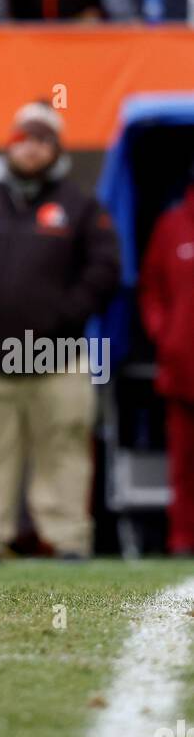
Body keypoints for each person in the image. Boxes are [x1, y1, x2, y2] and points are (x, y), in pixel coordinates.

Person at [0, 100, 120, 560]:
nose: (30, 149)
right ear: (10, 146)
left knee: (64, 449)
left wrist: (66, 314)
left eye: (41, 141)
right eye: (23, 140)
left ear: (56, 150)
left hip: (58, 358)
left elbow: (106, 270)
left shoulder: (80, 206)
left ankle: (68, 539)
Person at [139, 167, 194, 555]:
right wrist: (165, 333)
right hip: (182, 370)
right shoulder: (173, 225)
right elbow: (150, 286)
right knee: (184, 464)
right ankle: (182, 538)